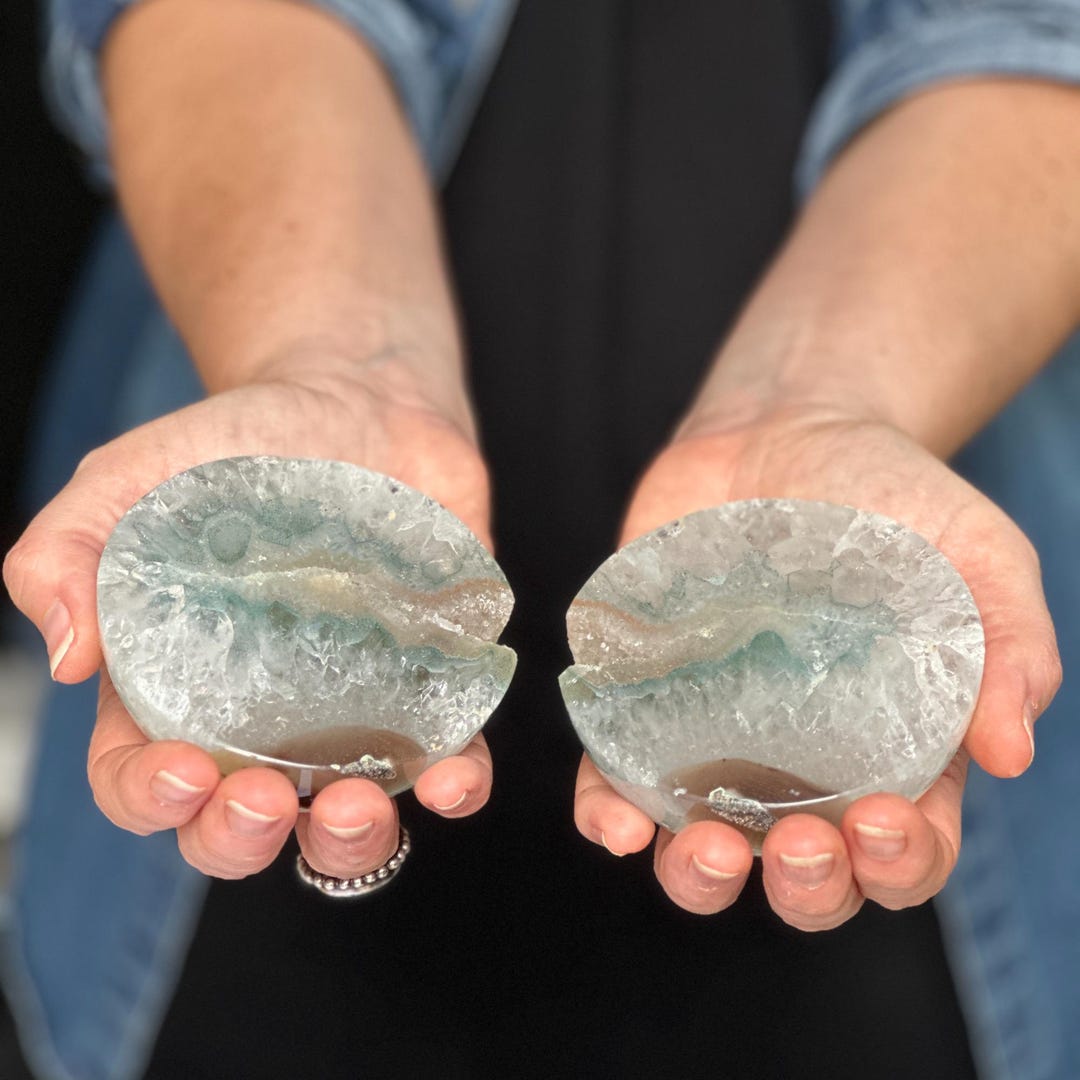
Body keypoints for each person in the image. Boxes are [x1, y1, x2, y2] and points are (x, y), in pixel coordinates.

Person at [4, 1, 1079, 1076]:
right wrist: (331, 358)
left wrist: (838, 400)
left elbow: (1028, 37)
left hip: (913, 378)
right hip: (291, 278)